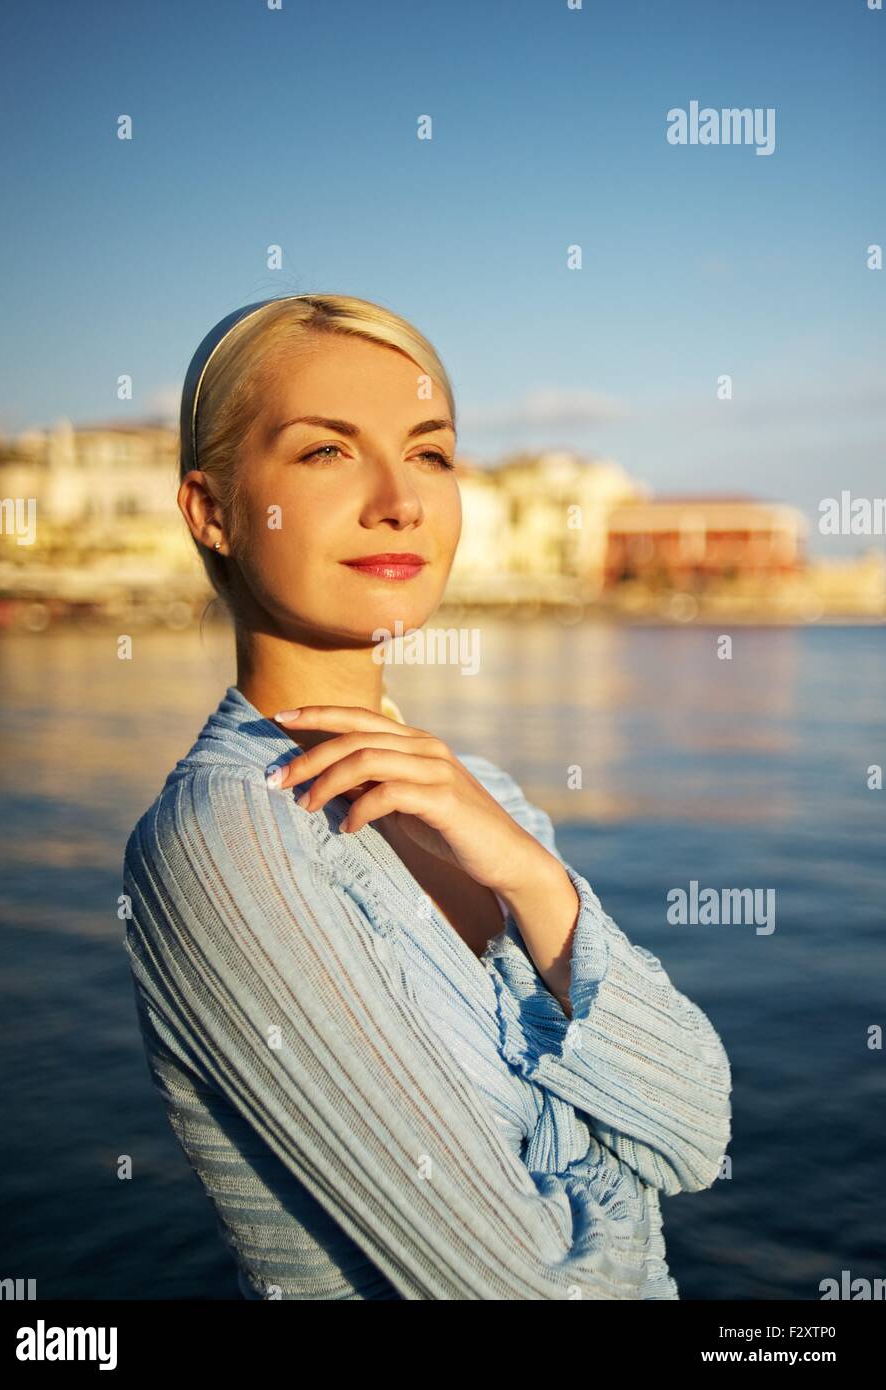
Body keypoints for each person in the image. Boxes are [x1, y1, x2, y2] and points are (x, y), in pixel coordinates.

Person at [121, 293, 732, 1300]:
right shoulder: (224, 837)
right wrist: (609, 1158)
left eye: (430, 452)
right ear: (212, 509)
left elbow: (696, 1135)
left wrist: (537, 883)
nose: (398, 498)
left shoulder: (476, 796)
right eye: (325, 451)